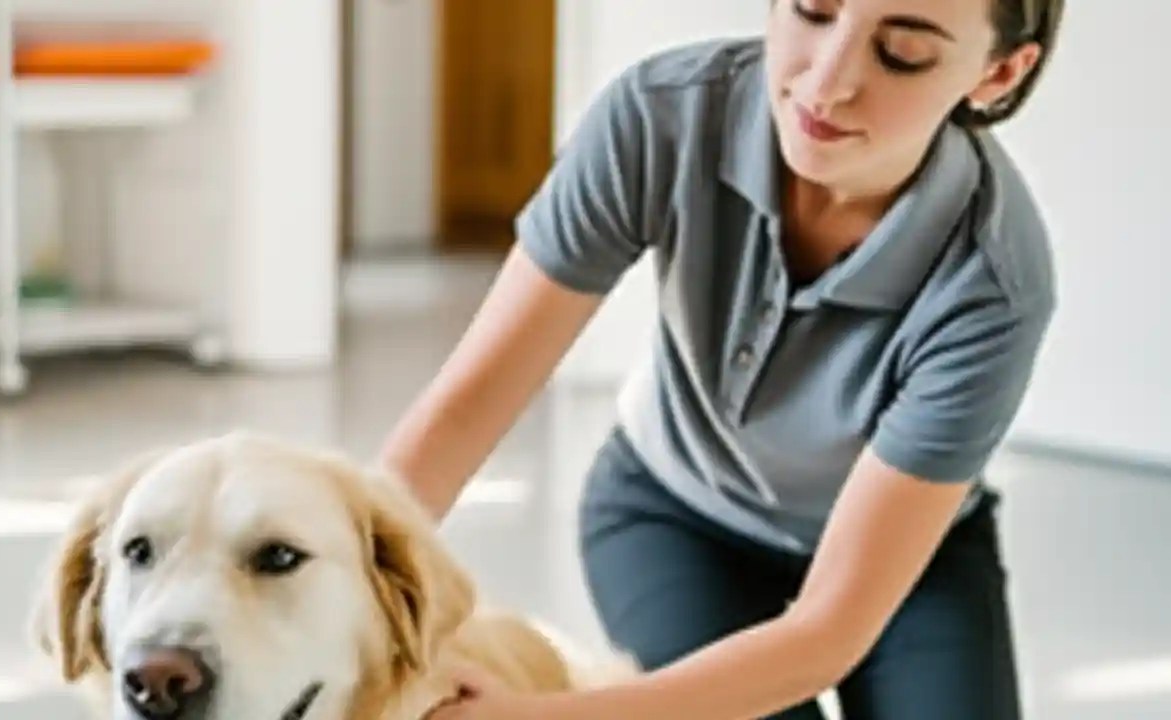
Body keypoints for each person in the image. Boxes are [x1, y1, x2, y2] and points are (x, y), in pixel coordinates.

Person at [380, 0, 1065, 717]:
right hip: (674, 516)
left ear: (998, 73)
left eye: (902, 52)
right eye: (813, 10)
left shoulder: (994, 282)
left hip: (909, 563)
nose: (825, 83)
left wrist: (533, 716)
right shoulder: (660, 117)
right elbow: (464, 409)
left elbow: (827, 632)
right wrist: (354, 587)